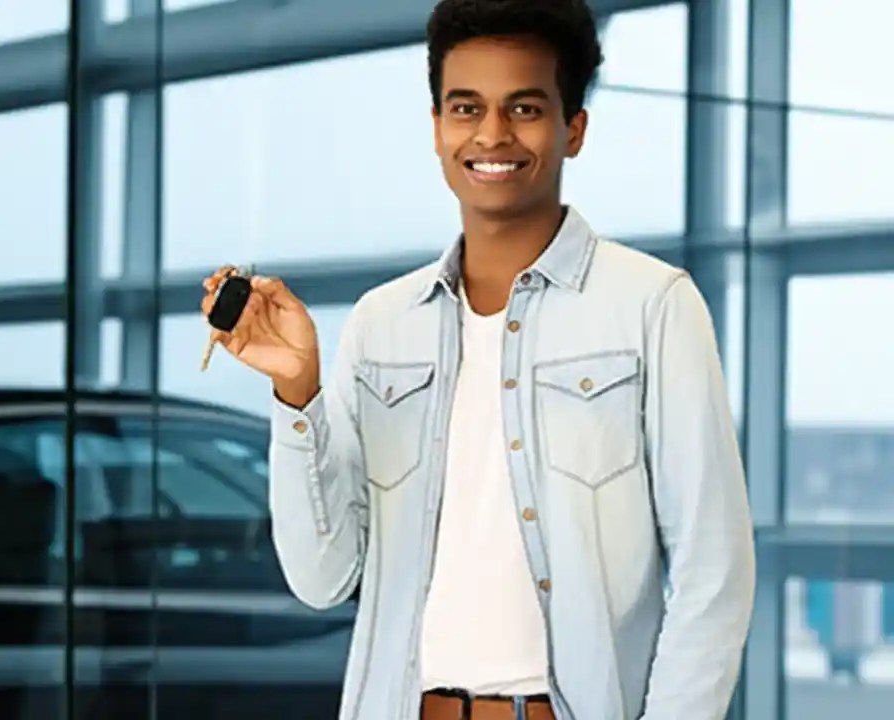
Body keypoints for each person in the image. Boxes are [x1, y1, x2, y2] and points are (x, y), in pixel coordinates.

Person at [199, 0, 756, 718]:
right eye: (466, 108)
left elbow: (714, 574)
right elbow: (322, 577)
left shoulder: (654, 307)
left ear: (573, 129)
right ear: (437, 129)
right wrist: (298, 395)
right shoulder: (381, 324)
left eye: (524, 108)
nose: (492, 134)